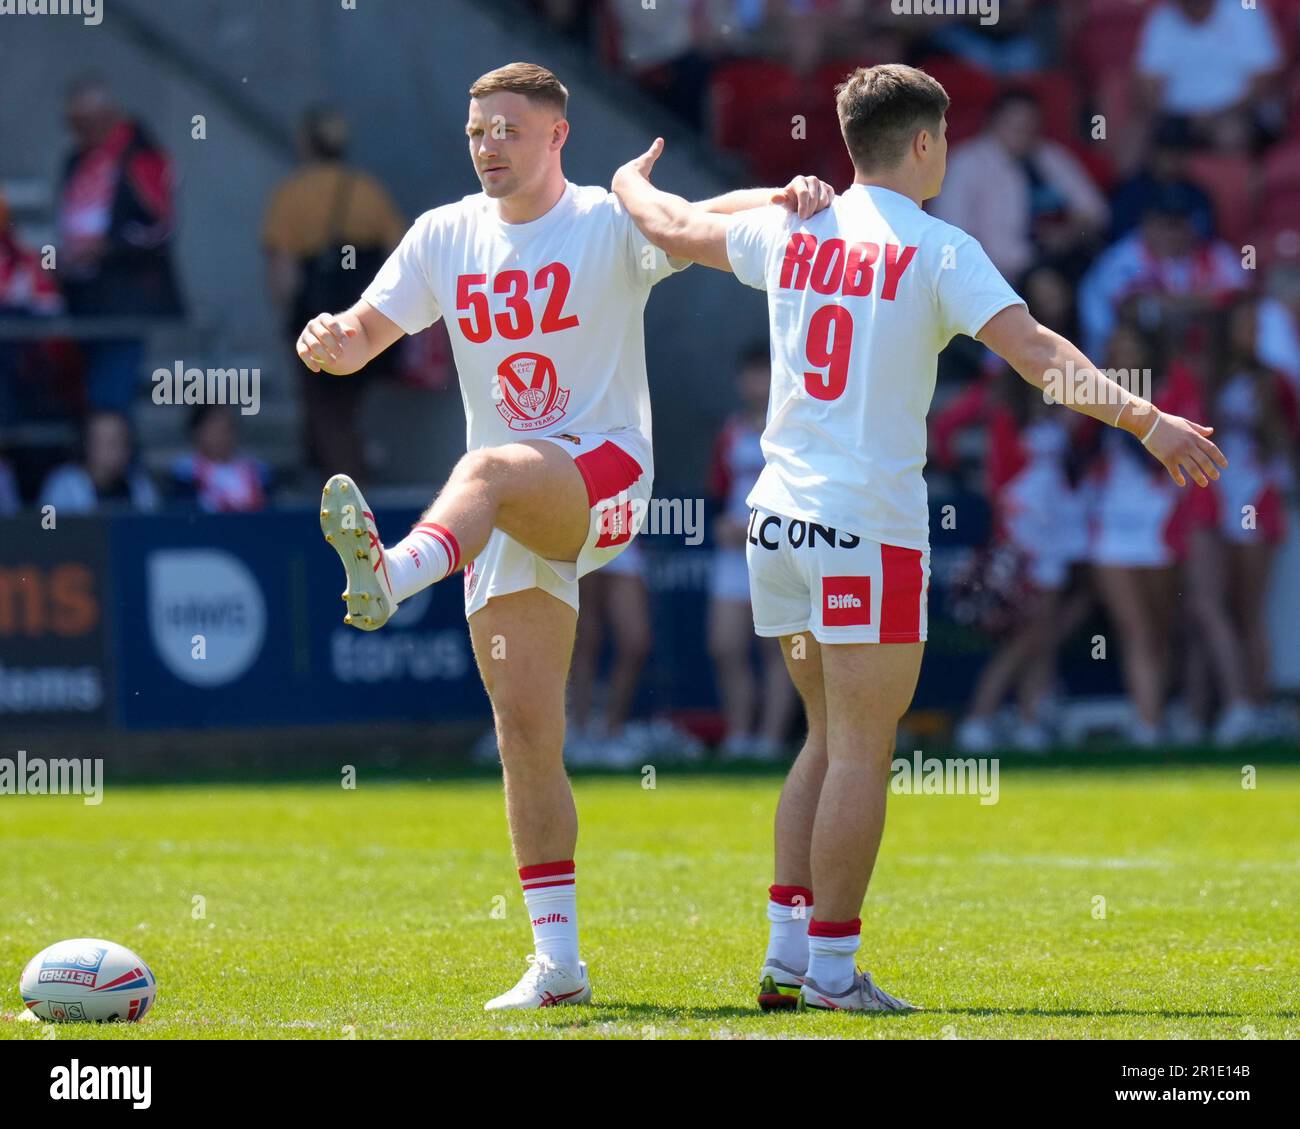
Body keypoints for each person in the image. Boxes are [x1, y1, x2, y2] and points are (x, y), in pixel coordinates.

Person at [611, 62, 1226, 1012]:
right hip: (866, 527)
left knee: (824, 737)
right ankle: (831, 970)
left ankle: (786, 953)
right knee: (862, 748)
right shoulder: (940, 249)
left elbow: (670, 224)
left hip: (775, 519)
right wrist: (1149, 422)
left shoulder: (794, 223)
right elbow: (1042, 359)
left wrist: (625, 181)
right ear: (926, 142)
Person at [296, 62, 834, 1011]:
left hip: (605, 476)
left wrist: (786, 193)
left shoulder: (603, 220)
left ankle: (393, 572)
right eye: (475, 132)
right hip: (503, 515)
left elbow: (701, 212)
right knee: (527, 735)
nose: (487, 145)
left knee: (491, 466)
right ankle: (558, 965)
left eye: (506, 128)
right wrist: (332, 336)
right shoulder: (443, 234)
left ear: (557, 135)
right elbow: (365, 334)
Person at [263, 106, 407, 481]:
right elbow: (400, 253)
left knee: (324, 408)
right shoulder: (369, 190)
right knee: (349, 405)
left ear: (306, 143)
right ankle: (350, 474)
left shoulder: (292, 194)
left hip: (315, 314)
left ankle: (346, 487)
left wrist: (288, 315)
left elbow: (283, 268)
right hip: (366, 314)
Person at [57, 76, 184, 413]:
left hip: (125, 301)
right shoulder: (76, 160)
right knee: (91, 400)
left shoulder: (140, 157)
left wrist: (105, 249)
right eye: (74, 124)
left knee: (110, 400)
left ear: (108, 116)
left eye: (86, 123)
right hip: (83, 299)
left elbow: (160, 227)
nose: (79, 133)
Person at [707, 342, 797, 761]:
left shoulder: (793, 427)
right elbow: (719, 490)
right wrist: (723, 525)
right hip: (732, 556)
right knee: (725, 644)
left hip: (778, 547)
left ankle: (770, 739)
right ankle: (739, 734)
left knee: (777, 646)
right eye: (750, 374)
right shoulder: (731, 430)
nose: (757, 383)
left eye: (765, 373)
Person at [39, 409, 158, 515]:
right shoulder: (64, 485)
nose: (120, 449)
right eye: (111, 443)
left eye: (124, 442)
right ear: (88, 446)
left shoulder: (140, 486)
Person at [168, 404, 271, 513]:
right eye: (214, 426)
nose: (223, 433)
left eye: (228, 427)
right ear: (197, 431)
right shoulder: (185, 475)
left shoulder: (257, 472)